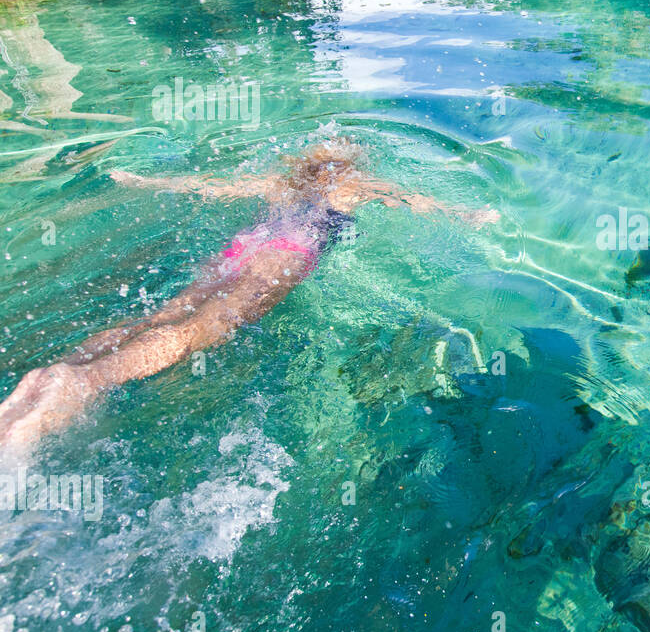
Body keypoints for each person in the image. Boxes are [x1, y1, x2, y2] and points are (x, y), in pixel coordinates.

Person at [0, 138, 498, 446]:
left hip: (242, 247)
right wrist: (474, 217)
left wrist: (141, 178)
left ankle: (62, 372)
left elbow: (205, 186)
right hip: (284, 252)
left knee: (165, 314)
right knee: (199, 329)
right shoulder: (353, 183)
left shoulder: (279, 181)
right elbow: (414, 200)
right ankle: (87, 384)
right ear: (349, 164)